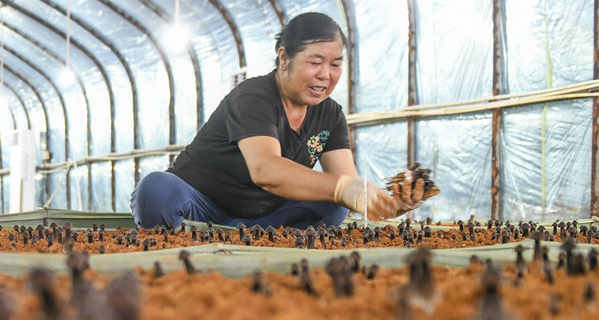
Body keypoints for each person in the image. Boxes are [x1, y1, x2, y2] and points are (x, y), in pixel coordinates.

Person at [130, 12, 427, 229]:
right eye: (315, 62)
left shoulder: (330, 114)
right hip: (201, 206)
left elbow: (347, 184)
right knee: (157, 191)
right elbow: (265, 169)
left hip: (262, 219)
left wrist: (393, 203)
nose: (326, 74)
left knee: (334, 205)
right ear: (284, 58)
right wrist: (342, 188)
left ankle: (254, 237)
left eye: (336, 64)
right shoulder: (253, 96)